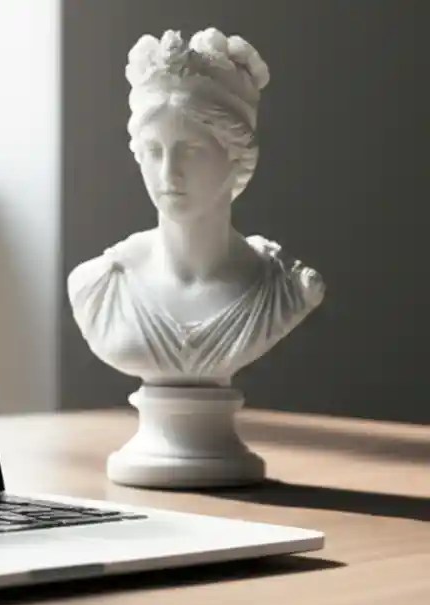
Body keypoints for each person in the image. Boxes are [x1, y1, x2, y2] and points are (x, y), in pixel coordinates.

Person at [68, 28, 324, 387]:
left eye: (191, 151)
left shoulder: (283, 288)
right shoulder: (97, 286)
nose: (168, 173)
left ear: (236, 156)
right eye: (154, 152)